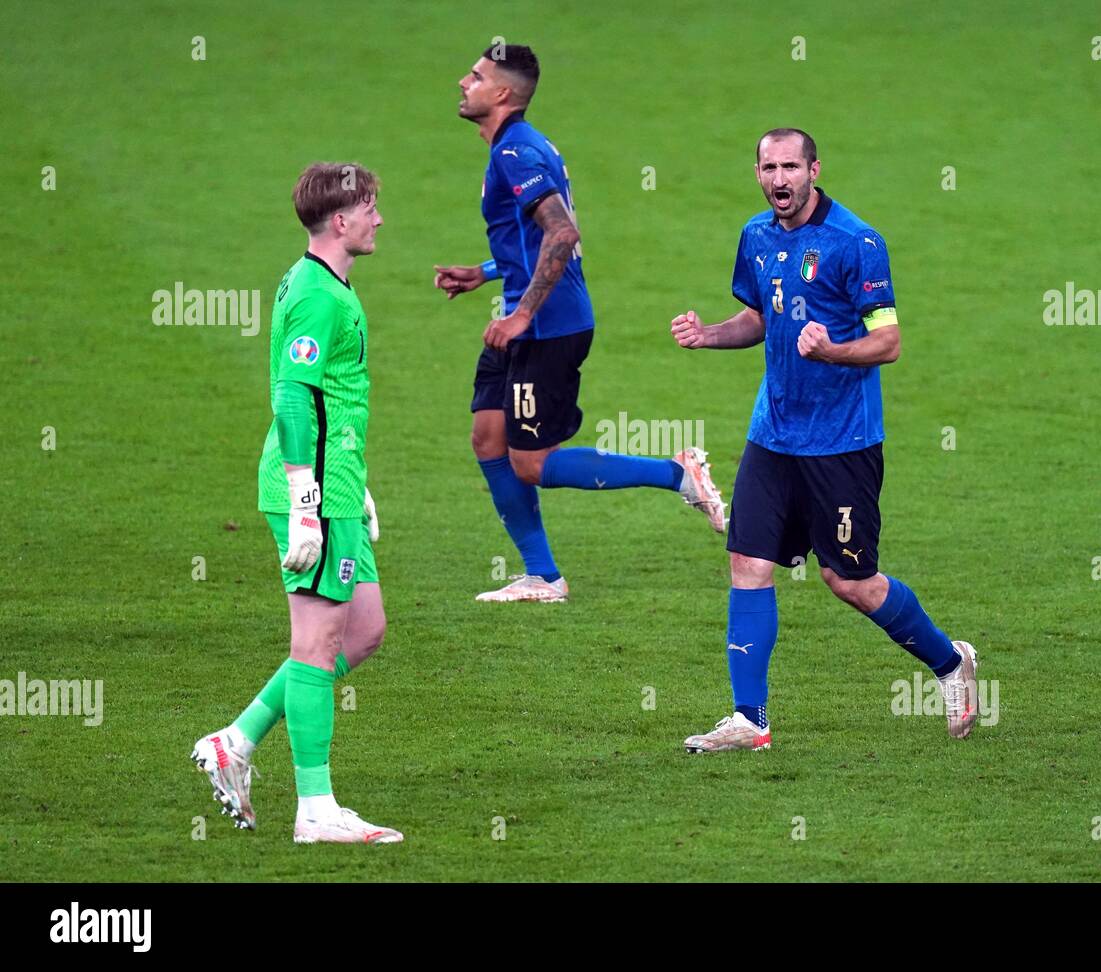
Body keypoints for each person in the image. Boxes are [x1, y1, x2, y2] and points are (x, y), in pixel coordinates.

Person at [670, 129, 979, 752]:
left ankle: (951, 662)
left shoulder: (856, 243)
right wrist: (710, 335)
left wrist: (834, 350)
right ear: (756, 172)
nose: (779, 179)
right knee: (748, 564)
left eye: (790, 166)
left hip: (841, 443)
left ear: (815, 169)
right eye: (768, 167)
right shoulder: (756, 235)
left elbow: (888, 342)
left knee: (851, 583)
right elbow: (759, 318)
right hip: (773, 435)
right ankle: (749, 720)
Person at [434, 44, 726, 603]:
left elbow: (563, 235)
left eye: (474, 77)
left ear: (501, 93)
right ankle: (542, 576)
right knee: (488, 436)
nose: (462, 82)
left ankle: (677, 472)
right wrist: (485, 273)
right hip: (524, 319)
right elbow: (538, 239)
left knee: (531, 462)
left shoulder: (517, 151)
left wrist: (521, 312)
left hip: (545, 328)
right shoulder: (515, 147)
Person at [191, 162, 402, 842]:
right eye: (370, 208)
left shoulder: (321, 281)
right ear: (340, 220)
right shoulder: (317, 295)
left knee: (364, 627)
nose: (378, 219)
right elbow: (291, 395)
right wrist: (307, 502)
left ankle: (238, 740)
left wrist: (354, 479)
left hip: (334, 481)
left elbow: (323, 397)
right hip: (310, 490)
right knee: (314, 646)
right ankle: (316, 810)